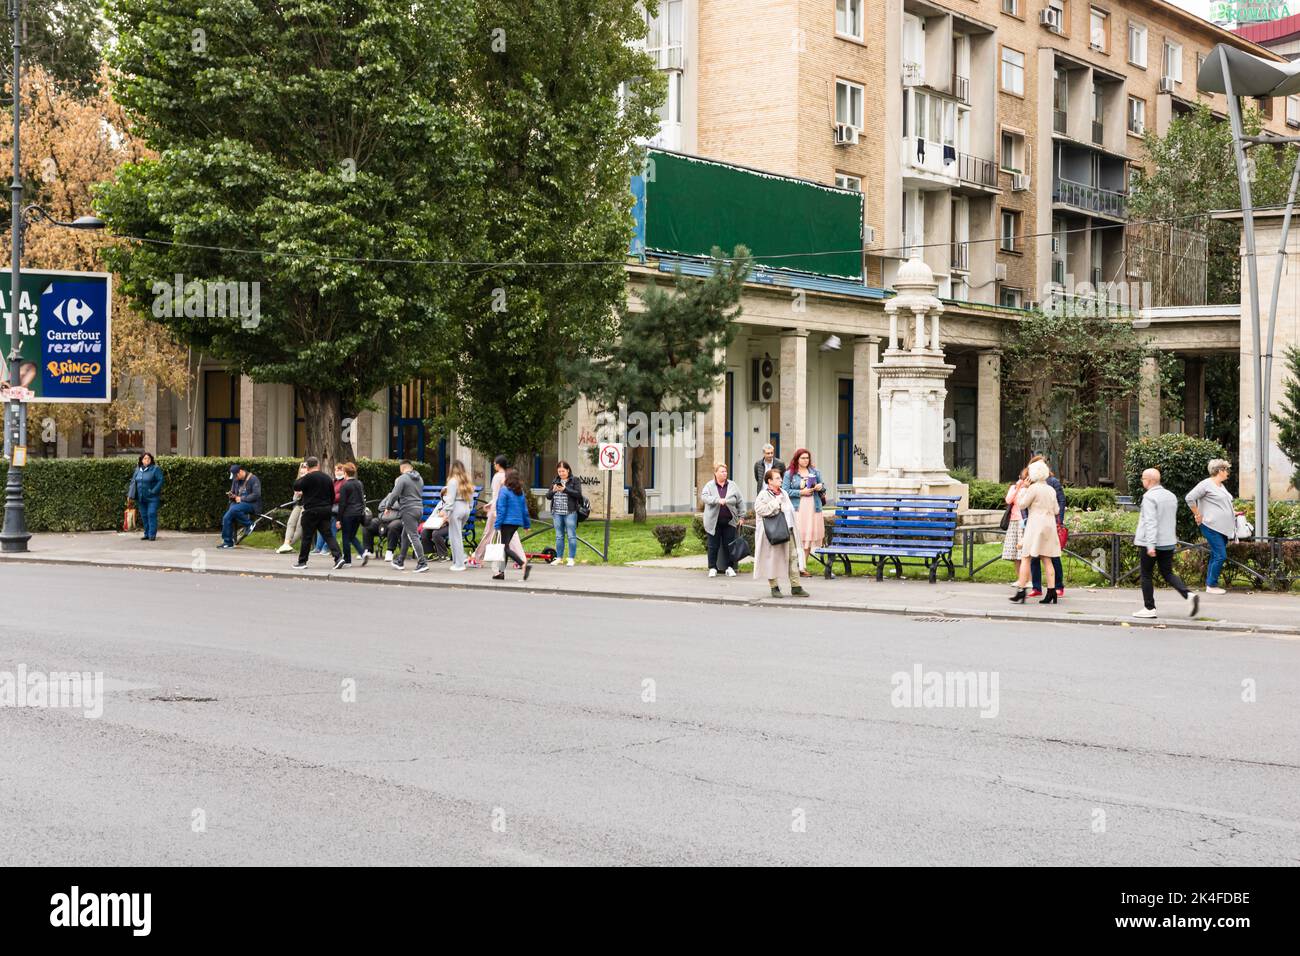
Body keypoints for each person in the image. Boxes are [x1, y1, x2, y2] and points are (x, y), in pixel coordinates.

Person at [1134, 468, 1199, 619]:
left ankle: (1149, 608)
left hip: (1151, 543)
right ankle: (1189, 595)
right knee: (1168, 573)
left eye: (1143, 478)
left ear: (1149, 480)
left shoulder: (1149, 497)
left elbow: (1150, 522)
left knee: (1146, 575)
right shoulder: (1171, 496)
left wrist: (1150, 545)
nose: (1142, 481)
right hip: (1168, 542)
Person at [1009, 460, 1060, 604]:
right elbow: (1056, 510)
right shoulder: (1051, 489)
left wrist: (1024, 489)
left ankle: (1021, 590)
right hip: (1049, 525)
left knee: (1026, 557)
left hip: (1035, 525)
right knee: (1047, 559)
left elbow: (1022, 504)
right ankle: (1051, 592)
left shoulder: (1033, 488)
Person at [754, 468, 808, 598]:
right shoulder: (763, 494)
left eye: (780, 477)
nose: (781, 480)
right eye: (777, 478)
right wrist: (776, 503)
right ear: (769, 481)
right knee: (772, 559)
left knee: (793, 558)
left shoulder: (784, 492)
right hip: (773, 533)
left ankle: (796, 586)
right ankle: (774, 587)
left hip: (788, 530)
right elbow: (760, 510)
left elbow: (789, 510)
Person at [1186, 458, 1236, 596]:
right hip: (1210, 525)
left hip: (1222, 527)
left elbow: (1221, 503)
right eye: (1226, 469)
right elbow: (1189, 498)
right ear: (1220, 470)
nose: (1228, 472)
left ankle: (1210, 583)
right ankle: (1211, 585)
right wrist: (1197, 514)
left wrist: (1233, 512)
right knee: (1220, 555)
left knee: (1216, 555)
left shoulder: (1220, 485)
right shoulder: (1206, 484)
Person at [471, 455, 521, 568]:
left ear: (498, 465)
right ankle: (520, 560)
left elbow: (496, 494)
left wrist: (492, 508)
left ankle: (477, 558)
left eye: (494, 464)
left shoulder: (497, 476)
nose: (494, 466)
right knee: (512, 536)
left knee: (488, 533)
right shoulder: (508, 476)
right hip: (507, 509)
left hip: (497, 510)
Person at [292, 457, 343, 569]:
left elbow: (296, 486)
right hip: (325, 510)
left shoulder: (307, 478)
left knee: (307, 537)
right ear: (318, 465)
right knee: (328, 535)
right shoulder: (327, 478)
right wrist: (327, 506)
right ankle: (338, 557)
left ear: (308, 467)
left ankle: (302, 562)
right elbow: (332, 496)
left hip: (311, 510)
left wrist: (303, 475)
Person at [782, 448, 825, 575]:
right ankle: (793, 567)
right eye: (803, 458)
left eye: (807, 458)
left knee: (808, 537)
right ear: (797, 459)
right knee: (797, 538)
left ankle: (802, 568)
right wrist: (801, 492)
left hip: (813, 507)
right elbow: (785, 491)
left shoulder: (815, 472)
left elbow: (824, 488)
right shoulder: (789, 473)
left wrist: (820, 486)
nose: (805, 460)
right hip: (798, 509)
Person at [1028, 455, 1066, 598]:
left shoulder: (1052, 482)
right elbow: (1025, 505)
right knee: (1034, 556)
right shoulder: (1031, 483)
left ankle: (1058, 585)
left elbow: (1061, 501)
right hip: (1034, 524)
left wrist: (1059, 521)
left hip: (1050, 524)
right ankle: (1036, 586)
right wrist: (1026, 519)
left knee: (1053, 556)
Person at [700, 463, 744, 578]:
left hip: (729, 521)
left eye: (725, 471)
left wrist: (741, 517)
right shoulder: (709, 485)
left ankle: (729, 567)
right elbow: (704, 497)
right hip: (713, 522)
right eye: (722, 471)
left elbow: (740, 501)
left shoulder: (732, 485)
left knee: (729, 545)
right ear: (716, 473)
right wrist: (717, 500)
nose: (725, 473)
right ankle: (712, 568)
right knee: (712, 545)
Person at [388, 459, 428, 572]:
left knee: (413, 536)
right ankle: (400, 560)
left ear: (402, 468)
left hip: (408, 510)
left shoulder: (402, 478)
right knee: (405, 535)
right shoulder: (420, 478)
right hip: (419, 509)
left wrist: (388, 506)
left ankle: (422, 562)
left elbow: (394, 494)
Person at [492, 468, 532, 581]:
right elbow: (524, 510)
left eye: (504, 476)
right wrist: (526, 525)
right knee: (505, 547)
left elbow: (501, 509)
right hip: (516, 523)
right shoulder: (519, 492)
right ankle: (501, 573)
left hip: (506, 522)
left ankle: (523, 564)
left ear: (508, 479)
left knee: (504, 547)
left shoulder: (504, 490)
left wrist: (497, 524)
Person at [545, 460, 582, 568]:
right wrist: (554, 491)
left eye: (563, 471)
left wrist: (565, 489)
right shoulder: (555, 480)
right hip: (557, 512)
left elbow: (578, 495)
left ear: (568, 470)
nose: (561, 473)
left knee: (571, 536)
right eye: (559, 471)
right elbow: (548, 496)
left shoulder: (575, 480)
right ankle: (559, 558)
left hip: (570, 512)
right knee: (559, 536)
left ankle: (571, 558)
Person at [220, 464, 262, 549]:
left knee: (233, 510)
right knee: (226, 517)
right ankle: (227, 542)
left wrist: (242, 498)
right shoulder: (235, 480)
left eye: (236, 476)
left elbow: (256, 495)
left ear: (240, 472)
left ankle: (250, 524)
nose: (235, 479)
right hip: (238, 505)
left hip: (252, 505)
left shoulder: (253, 479)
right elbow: (234, 492)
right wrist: (232, 495)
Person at [444, 459, 474, 572]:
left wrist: (446, 513)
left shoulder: (452, 481)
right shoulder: (467, 480)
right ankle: (459, 560)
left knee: (454, 537)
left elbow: (450, 501)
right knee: (457, 536)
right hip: (465, 507)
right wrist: (469, 508)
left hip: (456, 508)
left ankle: (459, 564)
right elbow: (471, 499)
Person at [337, 462, 367, 568]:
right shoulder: (359, 483)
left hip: (348, 514)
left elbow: (342, 503)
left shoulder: (345, 485)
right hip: (358, 513)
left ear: (345, 473)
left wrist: (338, 519)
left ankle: (347, 560)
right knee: (352, 536)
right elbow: (362, 499)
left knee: (346, 537)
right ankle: (363, 553)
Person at [128, 453, 164, 541]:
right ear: (141, 460)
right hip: (141, 498)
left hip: (152, 498)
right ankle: (146, 534)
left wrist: (153, 491)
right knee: (144, 516)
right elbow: (133, 482)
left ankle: (152, 535)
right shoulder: (138, 470)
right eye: (145, 458)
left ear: (151, 460)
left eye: (148, 458)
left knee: (151, 514)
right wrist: (130, 495)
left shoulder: (155, 469)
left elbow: (160, 480)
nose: (147, 460)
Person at [277, 461, 310, 554]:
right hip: (299, 504)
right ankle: (286, 544)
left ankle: (289, 545)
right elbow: (294, 498)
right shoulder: (298, 481)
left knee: (300, 526)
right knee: (291, 523)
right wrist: (297, 494)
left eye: (305, 471)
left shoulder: (311, 480)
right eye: (301, 471)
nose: (303, 473)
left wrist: (304, 492)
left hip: (307, 505)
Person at [1001, 468, 1029, 564]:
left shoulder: (1030, 489)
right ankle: (1020, 578)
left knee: (1024, 554)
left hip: (1024, 521)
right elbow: (1008, 500)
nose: (1022, 480)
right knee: (1015, 554)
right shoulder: (1014, 488)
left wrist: (1025, 488)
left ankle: (1027, 578)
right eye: (1021, 478)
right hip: (1013, 521)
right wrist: (1017, 488)